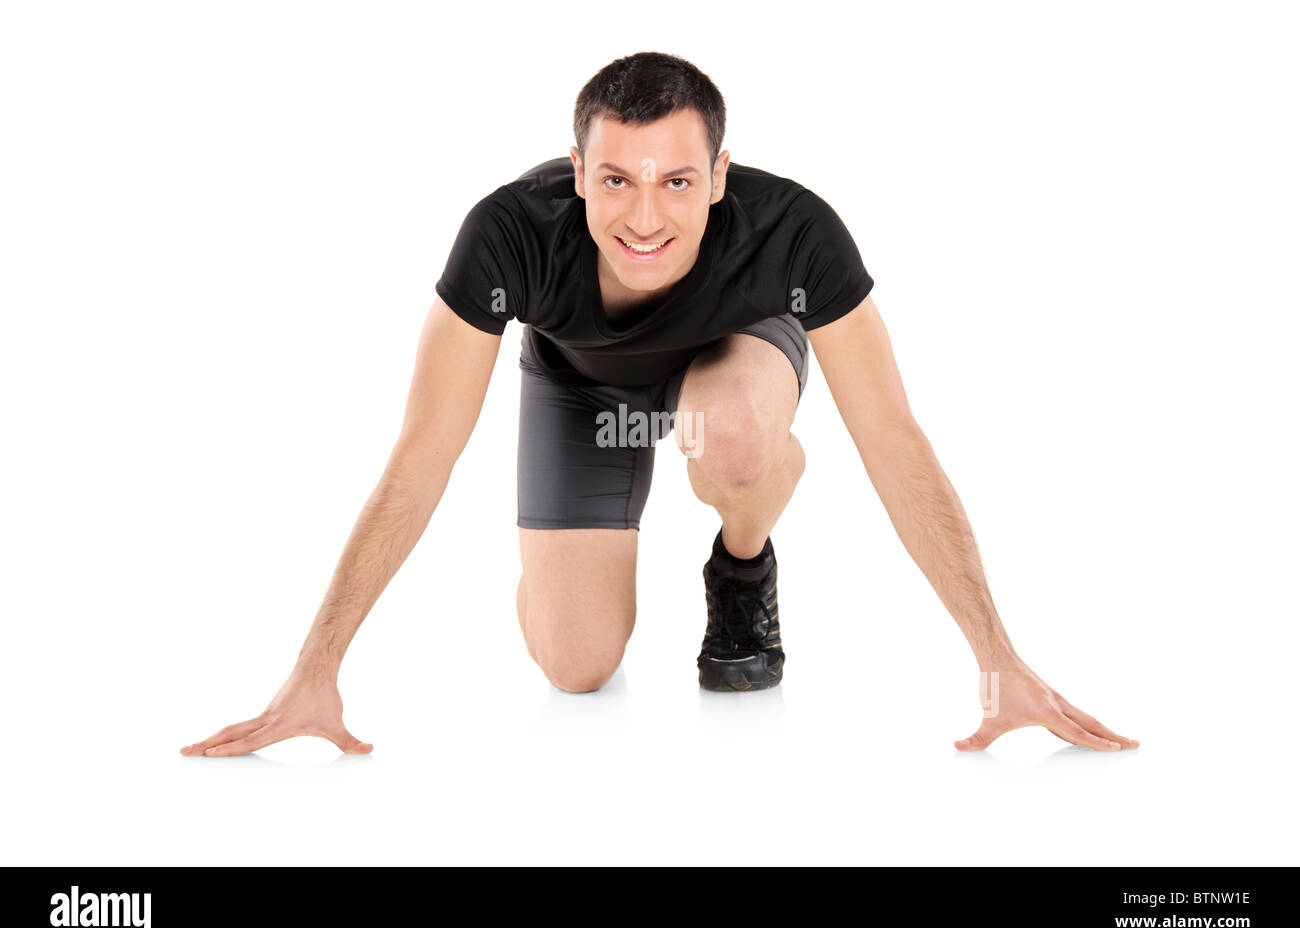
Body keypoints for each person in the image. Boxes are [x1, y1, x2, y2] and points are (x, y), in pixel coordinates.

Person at [181, 51, 1138, 758]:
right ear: (576, 168)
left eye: (679, 181)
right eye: (616, 180)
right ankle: (568, 568)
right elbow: (423, 451)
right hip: (578, 383)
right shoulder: (507, 235)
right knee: (577, 666)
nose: (645, 215)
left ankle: (742, 566)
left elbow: (894, 439)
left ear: (721, 176)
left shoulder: (795, 234)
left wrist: (997, 658)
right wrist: (317, 668)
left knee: (737, 442)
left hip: (731, 362)